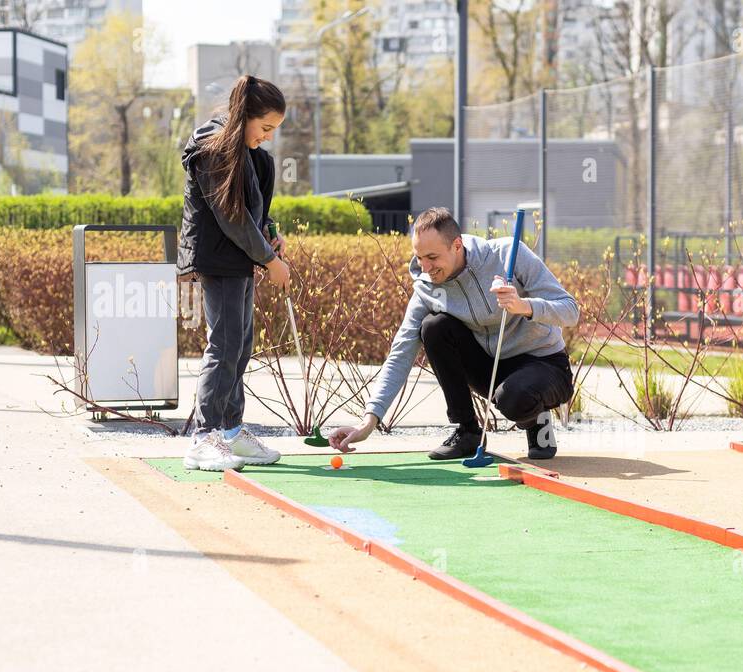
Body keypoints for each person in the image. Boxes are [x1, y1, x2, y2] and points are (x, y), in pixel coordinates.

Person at [328, 208, 577, 461]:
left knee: (514, 399)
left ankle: (535, 416)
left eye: (432, 257)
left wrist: (524, 306)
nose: (425, 267)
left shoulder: (508, 254)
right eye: (419, 257)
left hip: (544, 363)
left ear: (457, 245)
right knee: (433, 327)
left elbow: (570, 311)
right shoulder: (427, 287)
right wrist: (369, 421)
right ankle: (467, 431)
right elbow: (401, 351)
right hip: (491, 369)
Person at [176, 75, 290, 471]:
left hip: (242, 259)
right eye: (265, 128)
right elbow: (232, 218)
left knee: (240, 347)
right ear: (244, 116)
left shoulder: (253, 155)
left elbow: (257, 214)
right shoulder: (212, 149)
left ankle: (231, 431)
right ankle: (203, 438)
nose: (268, 137)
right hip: (218, 258)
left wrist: (270, 237)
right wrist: (270, 261)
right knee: (222, 346)